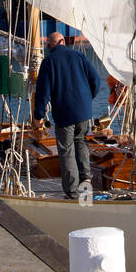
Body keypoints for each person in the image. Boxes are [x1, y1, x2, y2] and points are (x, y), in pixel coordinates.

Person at [32, 32, 99, 199]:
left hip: (64, 113)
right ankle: (86, 180)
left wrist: (38, 115)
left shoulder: (49, 62)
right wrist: (87, 98)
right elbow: (96, 80)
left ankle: (72, 191)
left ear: (50, 45)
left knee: (66, 150)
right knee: (81, 142)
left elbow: (42, 93)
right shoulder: (79, 56)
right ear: (63, 42)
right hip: (83, 111)